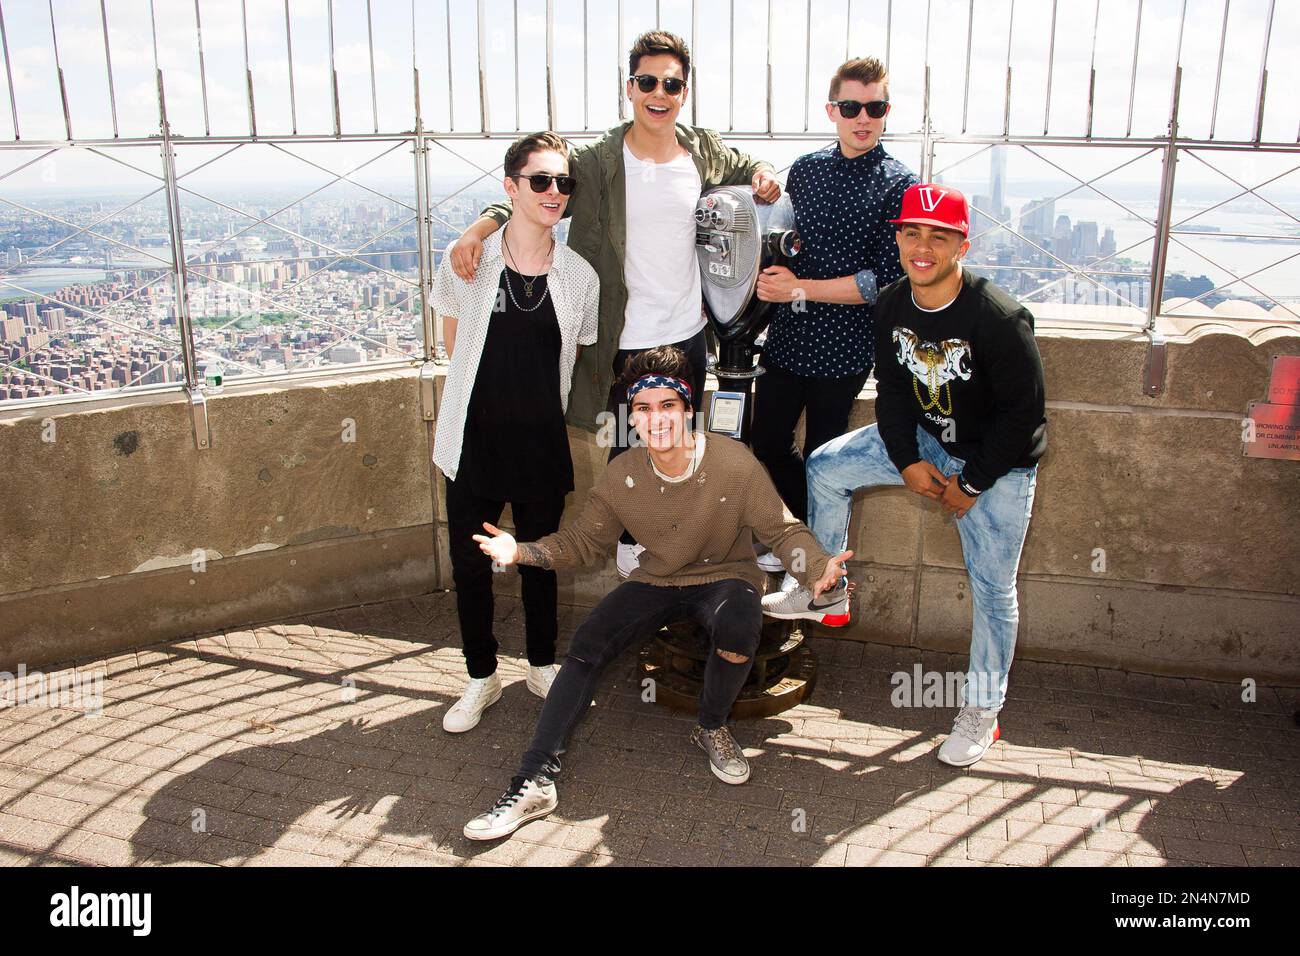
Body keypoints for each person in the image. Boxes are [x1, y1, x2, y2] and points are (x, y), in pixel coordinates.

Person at [462, 346, 852, 841]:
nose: (657, 418)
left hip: (726, 574)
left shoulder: (733, 463)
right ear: (633, 416)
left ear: (689, 409)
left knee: (739, 622)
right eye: (644, 408)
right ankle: (534, 780)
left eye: (668, 405)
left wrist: (817, 569)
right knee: (586, 647)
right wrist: (521, 551)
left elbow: (782, 530)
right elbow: (583, 542)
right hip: (657, 578)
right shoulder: (623, 474)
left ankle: (711, 726)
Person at [448, 30, 782, 579]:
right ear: (630, 88)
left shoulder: (701, 150)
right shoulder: (600, 161)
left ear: (684, 92)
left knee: (684, 453)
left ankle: (688, 554)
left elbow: (749, 166)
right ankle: (636, 562)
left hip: (687, 335)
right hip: (624, 343)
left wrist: (764, 174)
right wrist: (477, 229)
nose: (659, 92)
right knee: (630, 457)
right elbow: (534, 192)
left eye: (671, 84)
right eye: (647, 81)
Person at [763, 185, 1047, 768]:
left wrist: (971, 484)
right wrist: (909, 462)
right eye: (911, 233)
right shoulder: (893, 302)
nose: (922, 247)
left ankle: (982, 712)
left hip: (996, 461)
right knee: (825, 466)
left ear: (962, 244)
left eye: (938, 237)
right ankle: (828, 586)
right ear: (897, 238)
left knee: (993, 589)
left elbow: (1024, 418)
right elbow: (892, 391)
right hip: (925, 439)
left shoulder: (999, 318)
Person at [430, 132, 599, 734]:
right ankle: (481, 677)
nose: (554, 192)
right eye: (540, 181)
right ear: (511, 188)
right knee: (470, 567)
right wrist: (473, 234)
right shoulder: (468, 262)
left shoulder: (581, 278)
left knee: (541, 560)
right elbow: (455, 349)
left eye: (563, 183)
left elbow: (572, 354)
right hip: (473, 441)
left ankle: (541, 664)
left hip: (540, 443)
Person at [752, 56, 918, 578]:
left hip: (844, 349)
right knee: (767, 442)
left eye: (875, 107)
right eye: (851, 106)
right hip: (786, 337)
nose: (863, 117)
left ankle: (808, 560)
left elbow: (882, 283)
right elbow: (783, 238)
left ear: (887, 111)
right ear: (832, 110)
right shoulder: (805, 170)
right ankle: (796, 534)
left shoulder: (900, 185)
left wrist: (799, 287)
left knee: (824, 460)